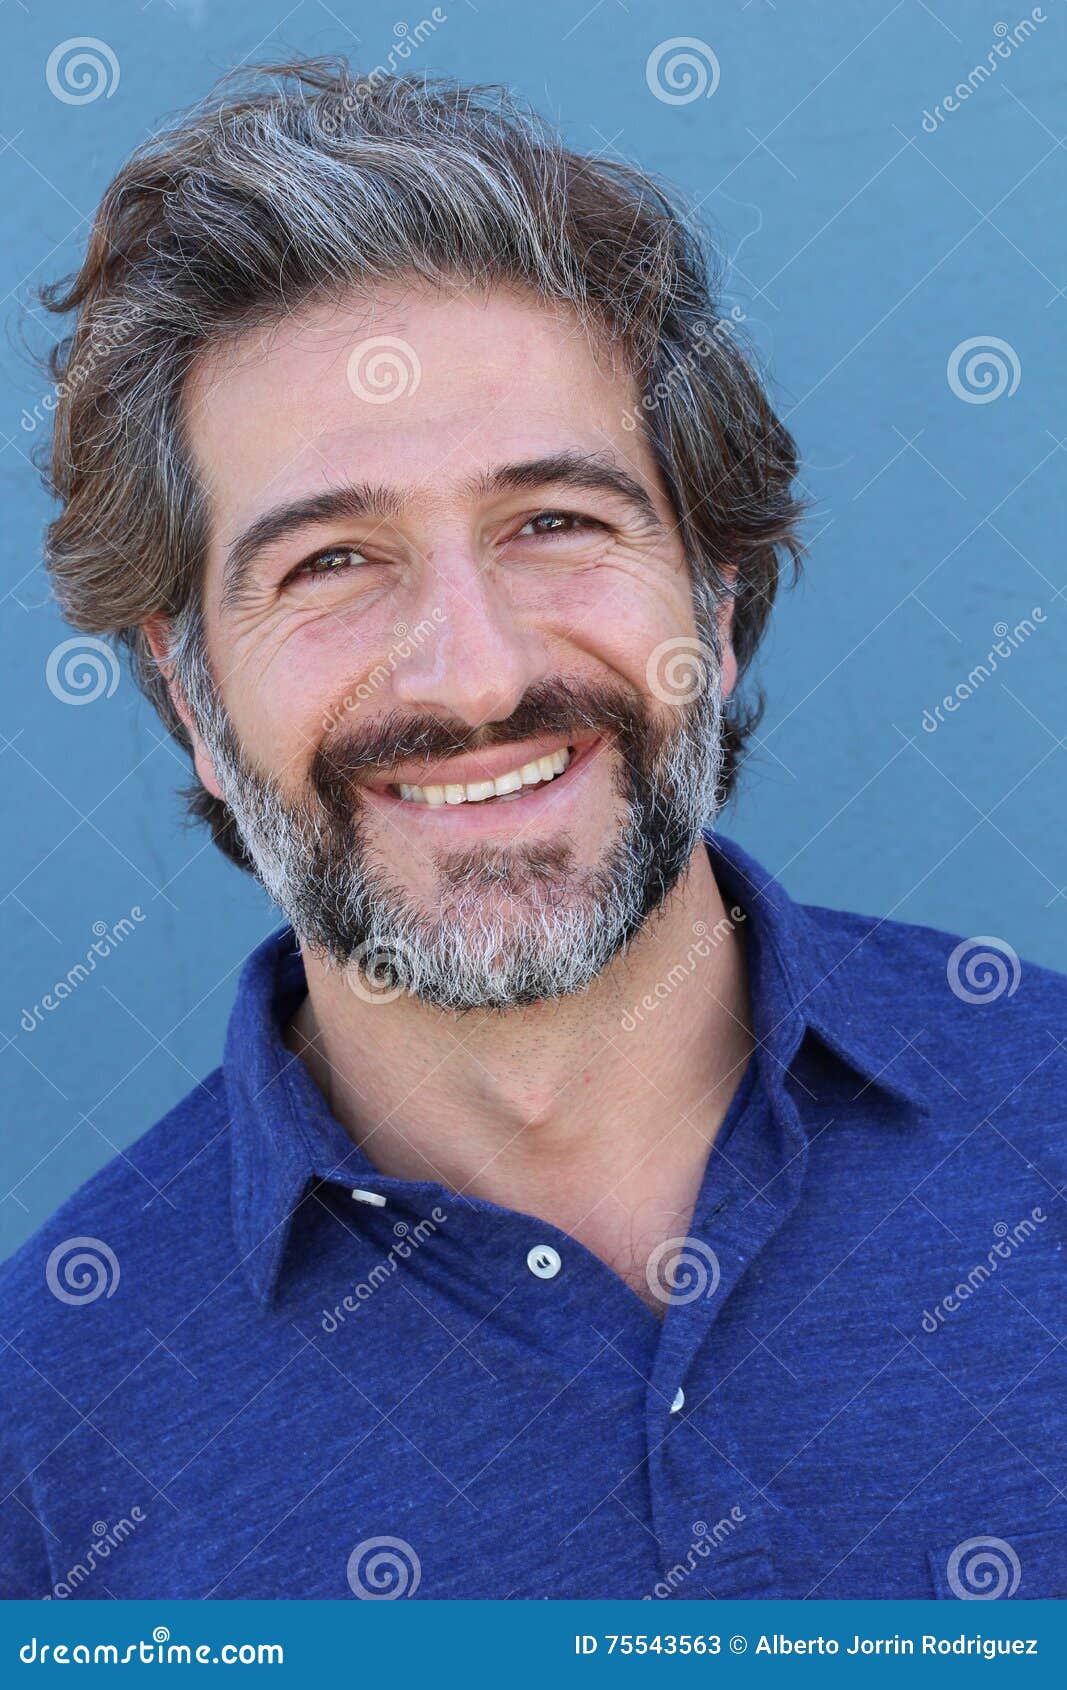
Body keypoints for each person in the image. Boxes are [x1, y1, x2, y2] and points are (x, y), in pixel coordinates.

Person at [1, 60, 1062, 1602]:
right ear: (190, 685)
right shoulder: (50, 1427)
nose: (480, 672)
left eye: (555, 522)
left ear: (714, 593)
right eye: (331, 562)